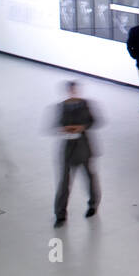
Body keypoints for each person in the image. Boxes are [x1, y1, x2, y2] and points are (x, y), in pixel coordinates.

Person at [53, 81, 99, 227]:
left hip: (84, 147)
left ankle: (93, 204)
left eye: (75, 90)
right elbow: (57, 124)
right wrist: (65, 128)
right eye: (71, 90)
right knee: (64, 182)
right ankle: (60, 214)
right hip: (68, 148)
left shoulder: (85, 104)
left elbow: (94, 121)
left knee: (89, 177)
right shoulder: (62, 106)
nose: (73, 92)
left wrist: (82, 127)